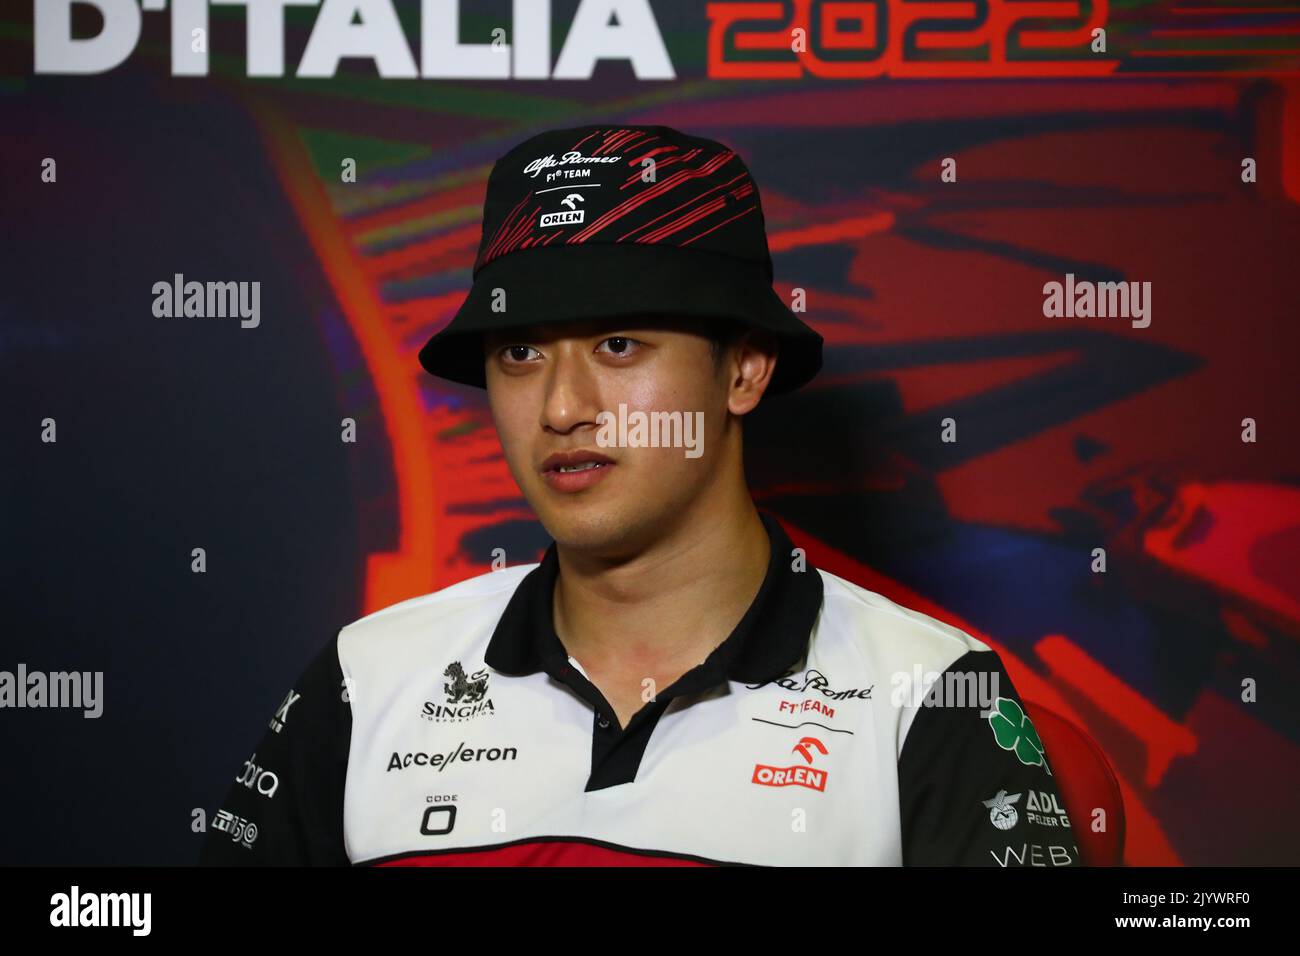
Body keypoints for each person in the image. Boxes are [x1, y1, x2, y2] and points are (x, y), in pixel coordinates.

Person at [200, 124, 1080, 866]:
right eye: (520, 354)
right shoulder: (369, 676)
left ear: (744, 368)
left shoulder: (929, 692)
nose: (562, 407)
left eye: (618, 345)